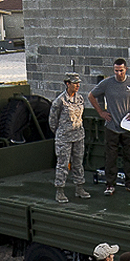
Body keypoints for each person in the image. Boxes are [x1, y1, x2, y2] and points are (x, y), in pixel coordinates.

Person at [49, 72, 90, 201]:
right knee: (63, 164)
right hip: (64, 138)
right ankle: (60, 190)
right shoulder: (59, 101)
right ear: (67, 84)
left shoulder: (80, 98)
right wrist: (61, 132)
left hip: (78, 136)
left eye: (78, 83)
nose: (78, 85)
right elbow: (52, 121)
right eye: (75, 83)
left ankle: (79, 188)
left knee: (78, 163)